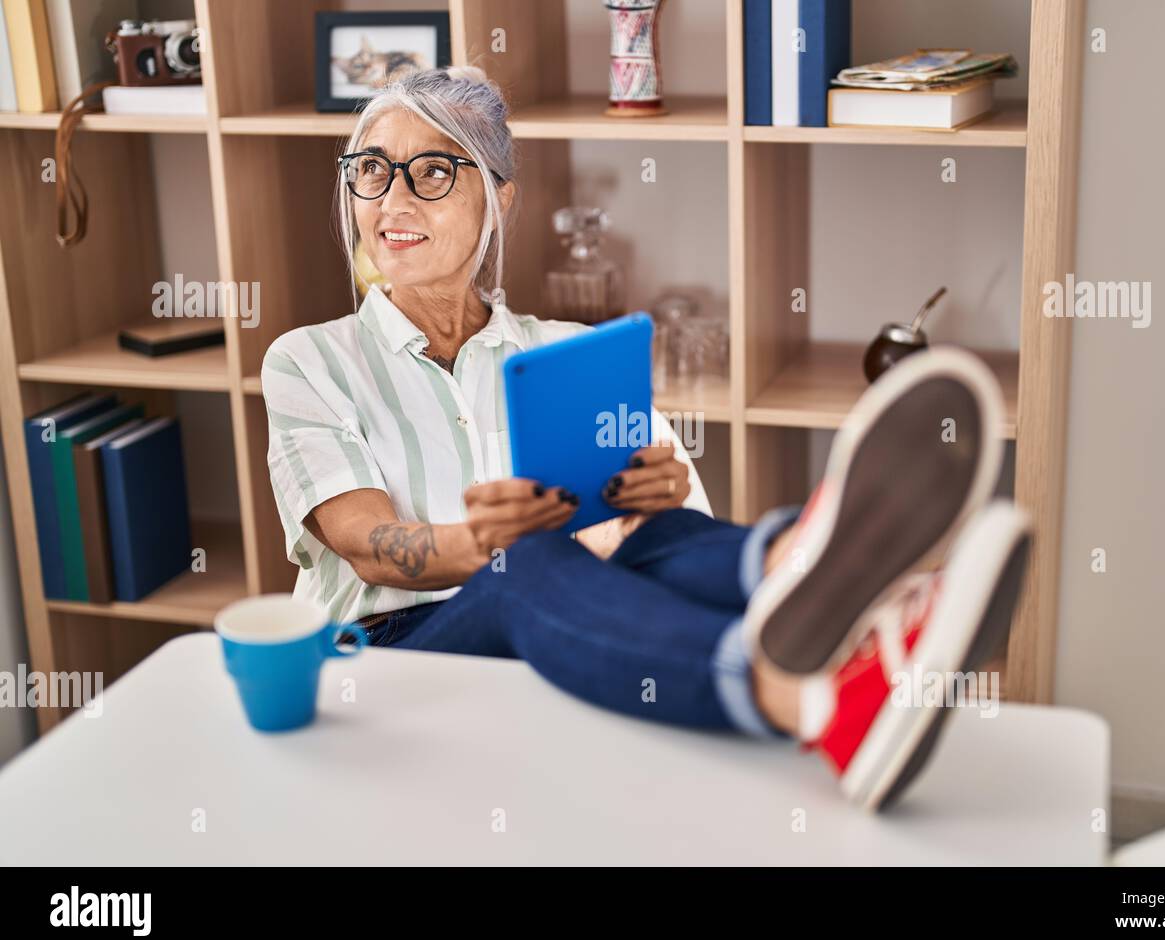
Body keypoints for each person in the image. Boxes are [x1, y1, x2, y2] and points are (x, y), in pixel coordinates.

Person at [262, 66, 1030, 811]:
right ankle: (810, 697)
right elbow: (364, 543)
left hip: (553, 623)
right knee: (526, 559)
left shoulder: (561, 351)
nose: (392, 199)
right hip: (388, 659)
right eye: (371, 170)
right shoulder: (309, 360)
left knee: (658, 533)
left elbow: (639, 531)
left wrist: (646, 498)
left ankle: (821, 566)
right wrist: (482, 542)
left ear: (498, 197)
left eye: (431, 172)